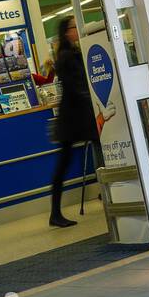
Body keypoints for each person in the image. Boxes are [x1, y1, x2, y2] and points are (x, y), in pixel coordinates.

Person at [49, 16, 102, 228]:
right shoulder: (66, 57)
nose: (77, 30)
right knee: (102, 150)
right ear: (66, 32)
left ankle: (56, 212)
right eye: (73, 28)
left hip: (75, 117)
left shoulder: (71, 54)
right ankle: (55, 213)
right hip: (75, 118)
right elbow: (76, 86)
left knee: (66, 163)